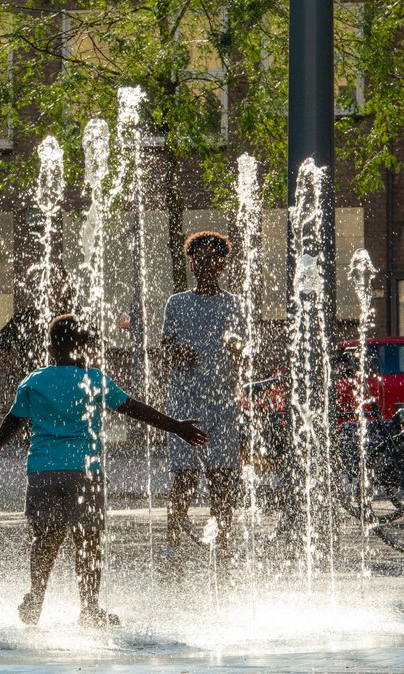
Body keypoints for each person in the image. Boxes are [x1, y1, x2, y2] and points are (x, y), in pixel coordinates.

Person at [0, 314, 207, 628]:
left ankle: (36, 597)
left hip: (43, 471)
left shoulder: (33, 381)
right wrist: (177, 428)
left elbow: (13, 420)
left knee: (45, 539)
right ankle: (89, 608)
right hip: (85, 471)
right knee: (87, 541)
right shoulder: (95, 380)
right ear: (85, 346)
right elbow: (135, 409)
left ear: (50, 347)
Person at [161, 231, 244, 569]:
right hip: (186, 406)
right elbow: (165, 350)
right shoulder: (176, 303)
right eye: (200, 258)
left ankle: (223, 543)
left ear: (222, 265)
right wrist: (176, 351)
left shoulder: (233, 304)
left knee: (221, 477)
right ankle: (172, 541)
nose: (206, 264)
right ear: (191, 263)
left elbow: (244, 351)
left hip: (222, 405)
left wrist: (237, 350)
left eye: (213, 258)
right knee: (183, 477)